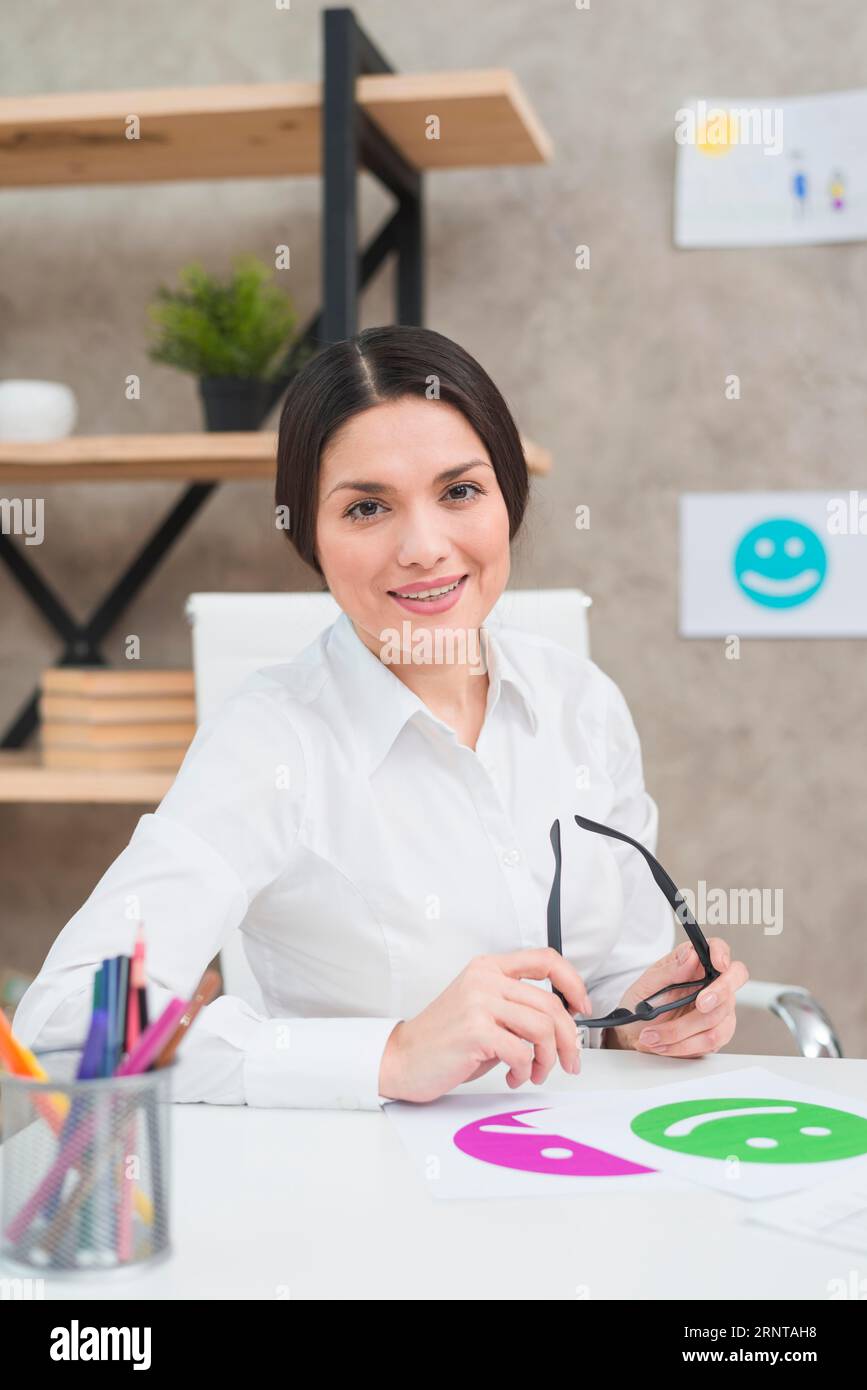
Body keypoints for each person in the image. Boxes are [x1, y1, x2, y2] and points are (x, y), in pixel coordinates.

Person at [13, 325, 748, 1109]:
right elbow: (66, 1031)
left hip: (571, 1168)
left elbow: (608, 983)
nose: (424, 547)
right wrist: (391, 1054)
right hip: (357, 1196)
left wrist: (647, 1018)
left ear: (508, 500)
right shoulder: (270, 739)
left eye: (459, 491)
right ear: (310, 538)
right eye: (367, 508)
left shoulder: (583, 704)